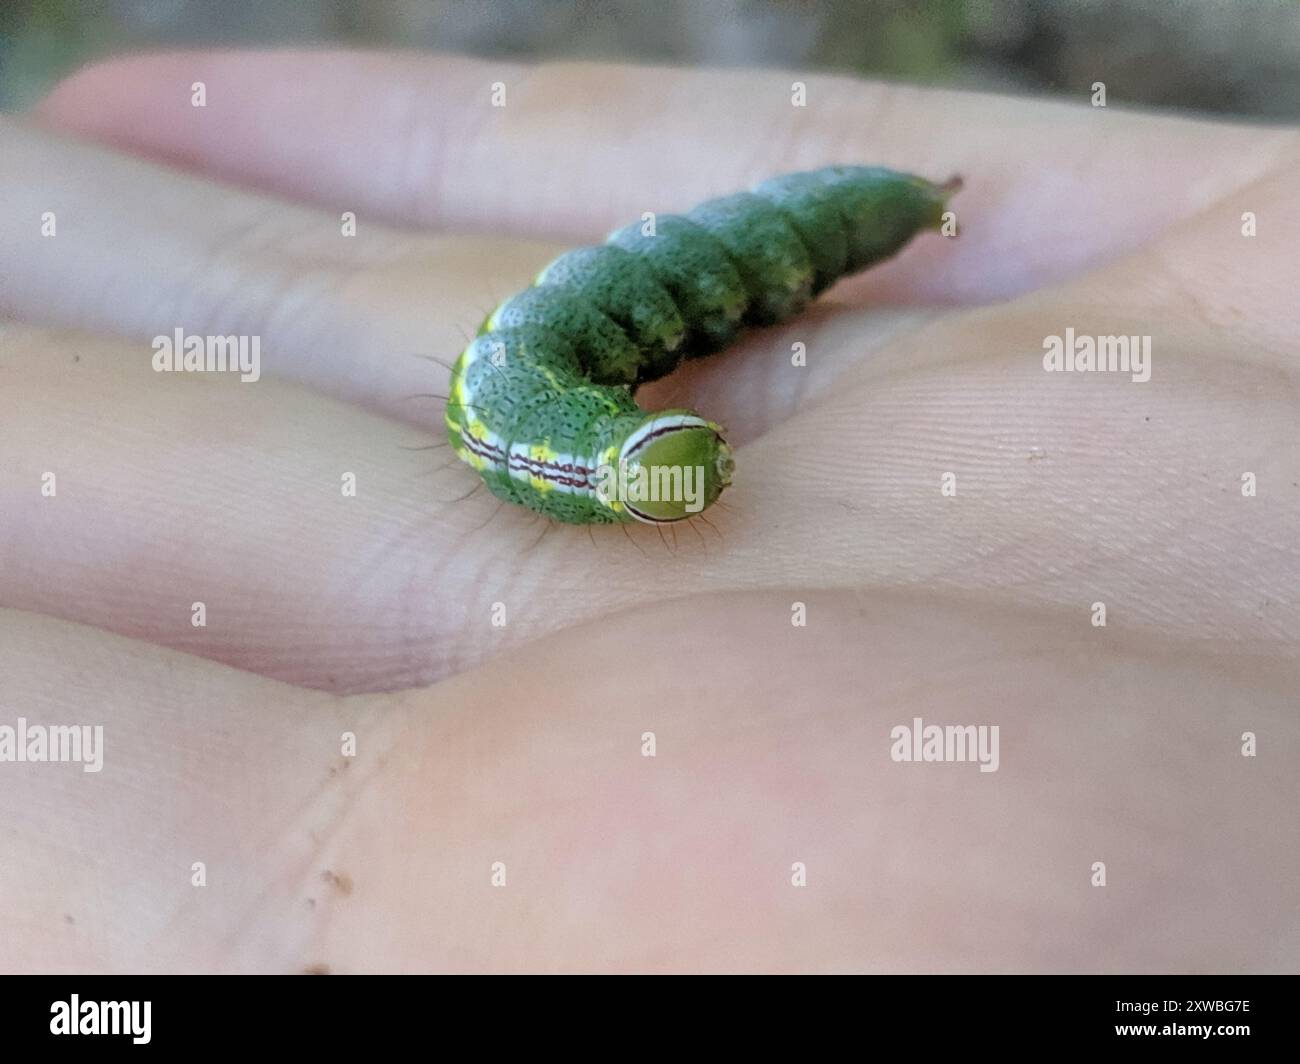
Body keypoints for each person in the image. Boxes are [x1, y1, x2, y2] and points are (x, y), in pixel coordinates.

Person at [1, 51, 1296, 972]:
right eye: (652, 462)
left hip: (816, 223)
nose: (687, 477)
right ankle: (900, 199)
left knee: (774, 236)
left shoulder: (564, 383)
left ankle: (902, 201)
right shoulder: (539, 401)